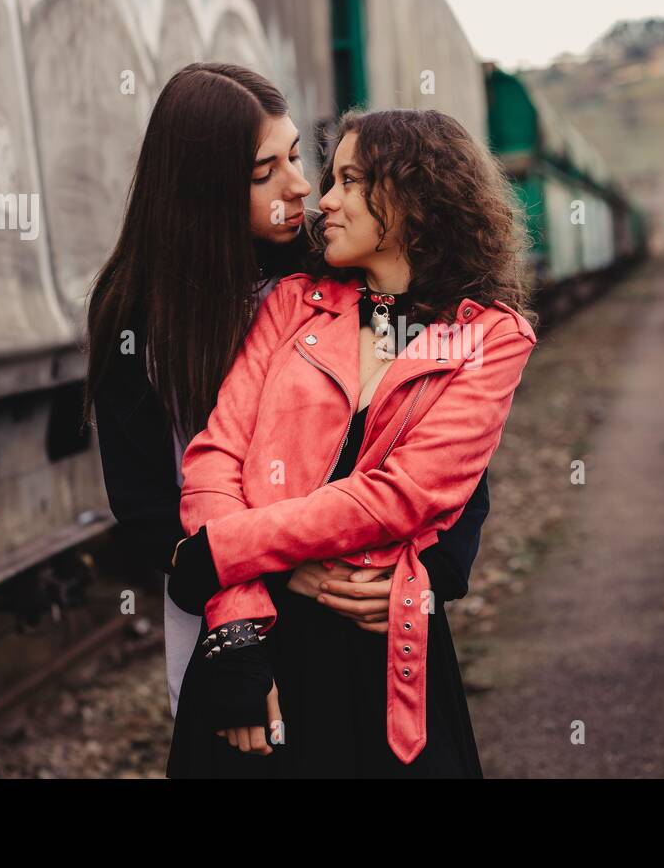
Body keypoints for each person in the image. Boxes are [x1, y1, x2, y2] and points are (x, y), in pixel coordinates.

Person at [83, 64, 491, 726]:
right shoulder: (136, 313)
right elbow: (145, 507)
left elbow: (446, 443)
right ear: (203, 188)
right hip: (224, 613)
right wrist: (276, 570)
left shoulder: (334, 270)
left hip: (360, 608)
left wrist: (433, 574)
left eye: (298, 156)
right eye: (263, 171)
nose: (302, 186)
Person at [166, 108, 537, 777]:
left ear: (415, 199)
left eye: (350, 181)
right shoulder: (292, 304)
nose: (324, 200)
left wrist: (224, 551)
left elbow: (401, 495)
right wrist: (239, 626)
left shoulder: (490, 337)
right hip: (260, 642)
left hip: (376, 661)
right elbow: (216, 458)